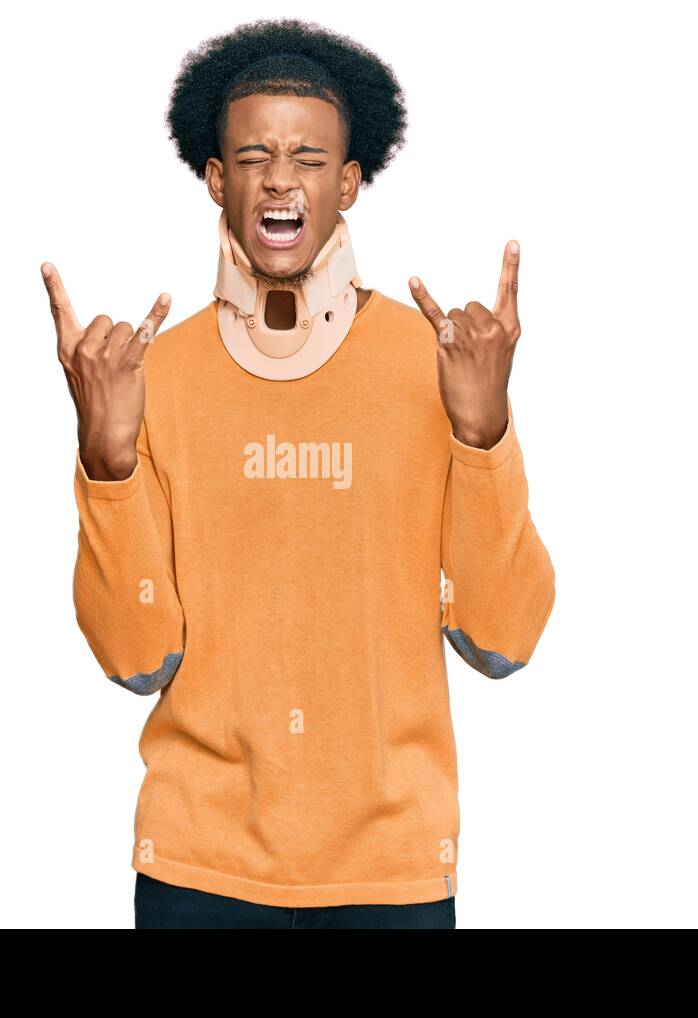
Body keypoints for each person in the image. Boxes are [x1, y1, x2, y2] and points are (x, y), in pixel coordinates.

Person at [41, 17, 555, 930]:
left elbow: (501, 642)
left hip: (391, 872)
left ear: (349, 182)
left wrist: (484, 435)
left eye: (310, 157)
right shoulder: (150, 375)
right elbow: (136, 659)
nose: (281, 177)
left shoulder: (434, 364)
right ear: (216, 180)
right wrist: (106, 459)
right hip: (198, 868)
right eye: (254, 156)